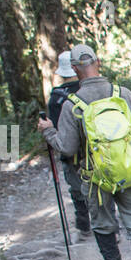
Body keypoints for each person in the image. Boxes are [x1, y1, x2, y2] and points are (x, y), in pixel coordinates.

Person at [38, 43, 131, 260]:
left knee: (103, 224)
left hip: (96, 176)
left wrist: (49, 132)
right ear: (98, 62)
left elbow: (68, 148)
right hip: (129, 169)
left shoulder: (72, 105)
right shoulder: (122, 93)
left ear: (74, 69)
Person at [45, 51, 91, 240]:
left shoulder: (57, 97)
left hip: (71, 155)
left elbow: (56, 128)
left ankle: (84, 227)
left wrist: (46, 130)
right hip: (95, 149)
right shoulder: (87, 90)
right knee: (101, 187)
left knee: (77, 190)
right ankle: (110, 228)